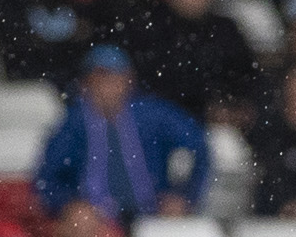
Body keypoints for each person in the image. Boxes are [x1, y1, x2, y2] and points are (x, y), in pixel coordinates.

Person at [31, 47, 210, 227]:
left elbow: (197, 145)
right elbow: (48, 179)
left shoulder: (151, 115)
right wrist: (69, 205)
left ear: (129, 80)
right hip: (97, 221)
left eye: (116, 78)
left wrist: (183, 196)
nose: (108, 86)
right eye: (101, 78)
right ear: (86, 82)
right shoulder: (73, 123)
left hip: (152, 213)